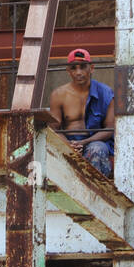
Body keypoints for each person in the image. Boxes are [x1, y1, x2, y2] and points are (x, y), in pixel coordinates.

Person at [48, 48, 114, 176]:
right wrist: (68, 145)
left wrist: (84, 143)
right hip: (68, 143)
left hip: (96, 143)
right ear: (68, 70)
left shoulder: (106, 93)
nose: (78, 72)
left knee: (97, 149)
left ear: (91, 68)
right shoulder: (58, 95)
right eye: (74, 68)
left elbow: (110, 128)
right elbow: (54, 128)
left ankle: (95, 188)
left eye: (83, 67)